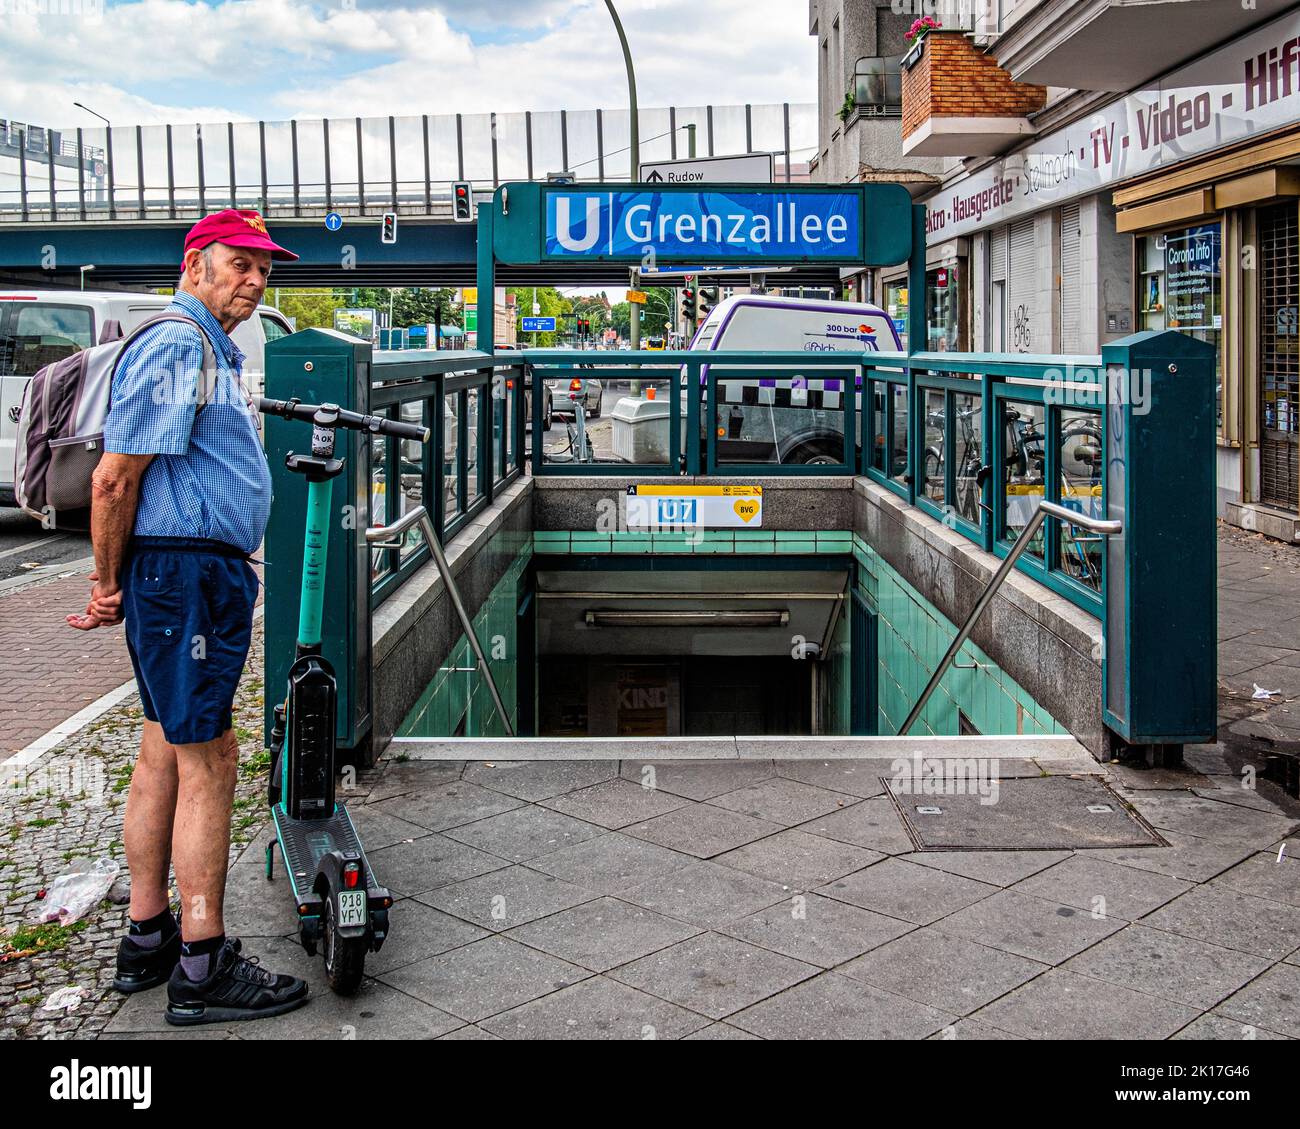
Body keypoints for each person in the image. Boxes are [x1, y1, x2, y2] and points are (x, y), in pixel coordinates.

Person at [70, 209, 310, 1026]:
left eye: (263, 270)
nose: (253, 279)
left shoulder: (206, 345)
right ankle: (202, 964)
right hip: (185, 574)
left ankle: (148, 938)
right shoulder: (179, 343)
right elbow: (114, 479)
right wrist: (107, 583)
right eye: (240, 263)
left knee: (163, 749)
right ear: (196, 262)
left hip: (183, 573)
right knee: (210, 754)